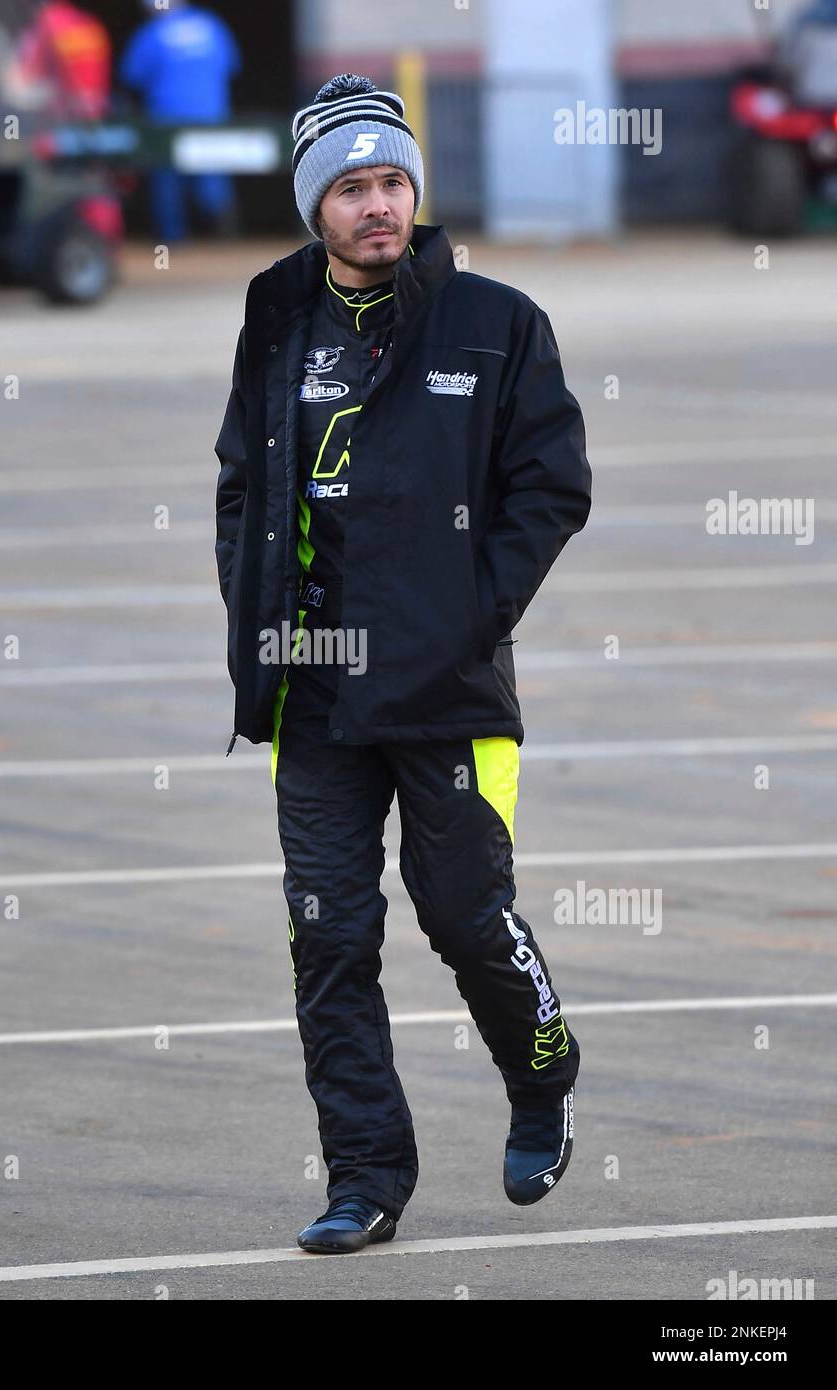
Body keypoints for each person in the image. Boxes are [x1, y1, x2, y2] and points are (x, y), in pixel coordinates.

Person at [214, 74, 591, 1254]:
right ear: (314, 207)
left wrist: (471, 614)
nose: (378, 206)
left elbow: (552, 485)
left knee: (467, 917)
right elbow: (241, 485)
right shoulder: (275, 317)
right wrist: (255, 615)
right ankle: (365, 1178)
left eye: (392, 182)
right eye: (350, 188)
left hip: (447, 687)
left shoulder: (495, 322)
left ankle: (542, 1073)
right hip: (313, 690)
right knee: (327, 937)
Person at [119, 0, 240, 241]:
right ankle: (225, 240)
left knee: (168, 185)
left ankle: (174, 242)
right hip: (210, 118)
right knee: (211, 180)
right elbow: (231, 65)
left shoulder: (151, 33)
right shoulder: (211, 25)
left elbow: (131, 76)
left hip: (166, 122)